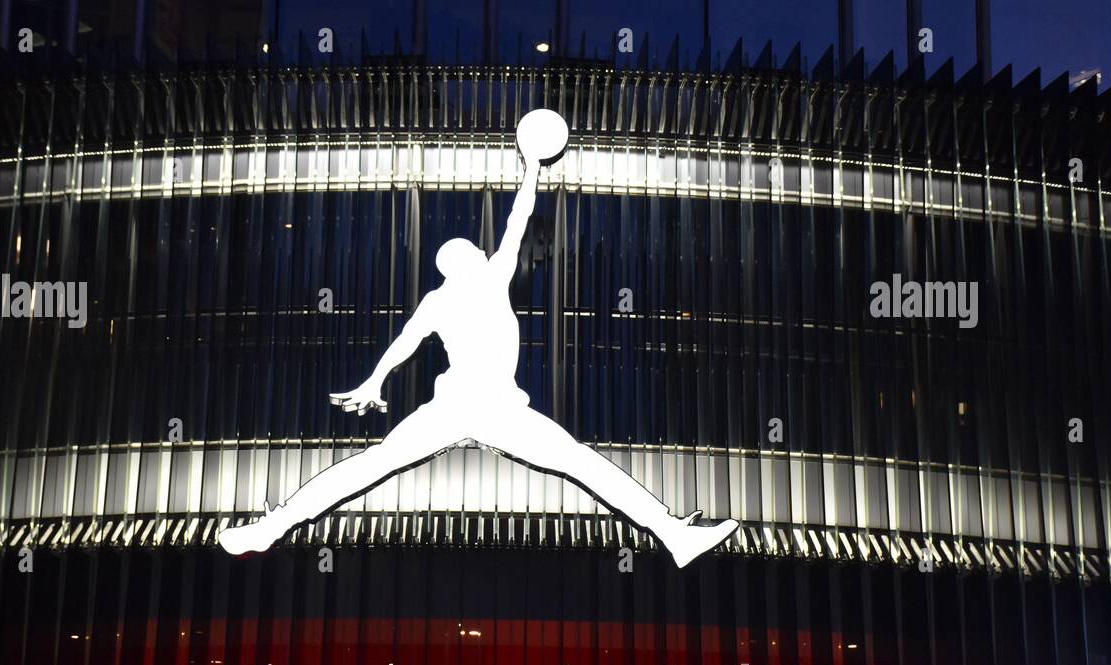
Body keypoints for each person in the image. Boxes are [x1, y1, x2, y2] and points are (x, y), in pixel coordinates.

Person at [220, 111, 737, 567]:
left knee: (373, 467)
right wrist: (375, 378)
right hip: (475, 405)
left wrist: (376, 380)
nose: (480, 253)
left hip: (482, 407)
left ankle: (672, 533)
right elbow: (415, 332)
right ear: (462, 261)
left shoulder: (453, 292)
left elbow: (412, 334)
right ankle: (671, 532)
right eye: (471, 250)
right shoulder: (476, 283)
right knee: (578, 464)